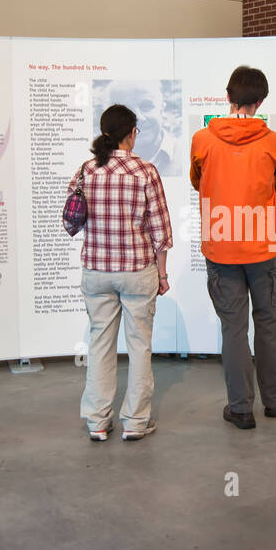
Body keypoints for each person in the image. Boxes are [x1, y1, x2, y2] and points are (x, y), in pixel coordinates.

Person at [190, 66, 276, 429]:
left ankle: (240, 408)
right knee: (268, 323)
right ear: (261, 101)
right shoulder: (273, 142)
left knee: (233, 328)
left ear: (227, 95)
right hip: (262, 247)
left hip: (220, 246)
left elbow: (196, 181)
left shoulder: (203, 139)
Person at [72, 104, 173, 441]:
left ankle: (98, 422)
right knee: (139, 345)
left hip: (97, 270)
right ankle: (135, 422)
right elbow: (161, 232)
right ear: (132, 134)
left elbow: (71, 220)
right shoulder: (145, 171)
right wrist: (162, 274)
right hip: (136, 269)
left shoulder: (87, 170)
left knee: (99, 342)